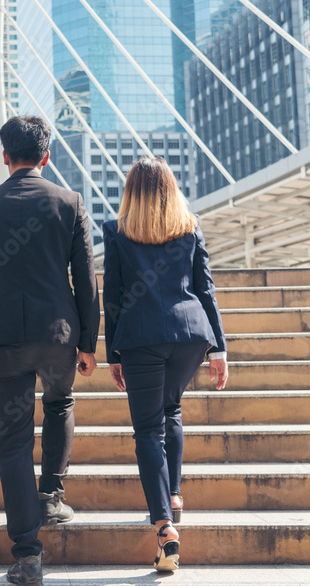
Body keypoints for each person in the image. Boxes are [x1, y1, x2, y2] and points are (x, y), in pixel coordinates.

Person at [0, 115, 99, 586]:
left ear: (4, 156)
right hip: (58, 334)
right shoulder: (69, 202)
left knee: (14, 441)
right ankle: (52, 496)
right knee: (60, 403)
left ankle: (27, 554)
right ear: (47, 155)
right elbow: (85, 278)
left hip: (3, 338)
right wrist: (88, 342)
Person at [102, 156, 229, 572]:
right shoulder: (190, 227)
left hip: (140, 338)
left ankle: (164, 528)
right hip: (190, 335)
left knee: (146, 430)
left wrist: (113, 354)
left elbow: (115, 299)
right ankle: (172, 494)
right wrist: (219, 349)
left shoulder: (117, 233)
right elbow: (205, 289)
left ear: (130, 192)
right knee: (171, 409)